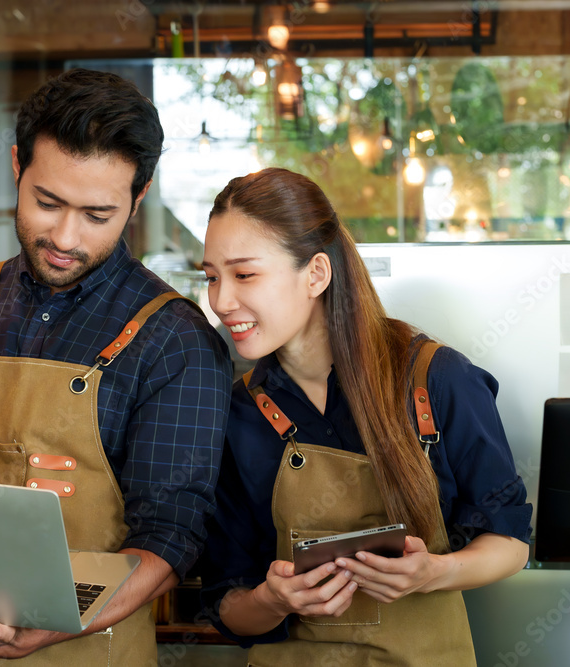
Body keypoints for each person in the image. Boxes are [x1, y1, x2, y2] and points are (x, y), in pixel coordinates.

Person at [0, 68, 233, 665]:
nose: (65, 236)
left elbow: (171, 539)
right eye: (47, 202)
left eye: (97, 215)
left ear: (138, 199)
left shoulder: (175, 338)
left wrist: (53, 627)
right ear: (17, 165)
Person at [198, 168, 532, 666]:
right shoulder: (238, 413)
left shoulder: (436, 381)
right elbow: (228, 608)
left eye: (245, 274)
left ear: (316, 273)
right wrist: (271, 600)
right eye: (211, 277)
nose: (221, 301)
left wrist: (433, 572)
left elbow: (511, 541)